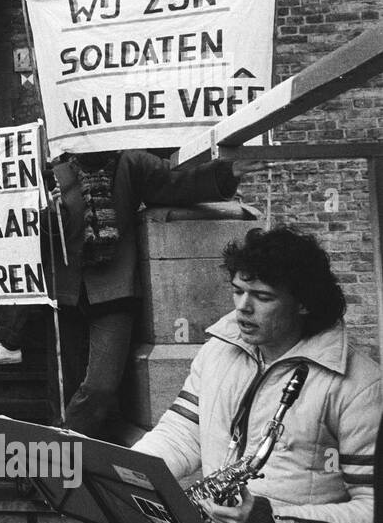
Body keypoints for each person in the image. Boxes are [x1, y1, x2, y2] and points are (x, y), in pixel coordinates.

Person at [135, 226, 379, 523]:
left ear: (303, 303)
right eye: (237, 291)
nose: (242, 309)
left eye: (262, 297)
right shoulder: (217, 351)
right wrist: (126, 472)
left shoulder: (361, 385)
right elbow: (182, 430)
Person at [48, 148, 261, 437]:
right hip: (65, 292)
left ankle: (57, 446)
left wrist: (226, 172)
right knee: (65, 386)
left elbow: (173, 181)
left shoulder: (129, 162)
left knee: (100, 386)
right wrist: (47, 212)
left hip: (115, 288)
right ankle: (68, 463)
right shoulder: (54, 172)